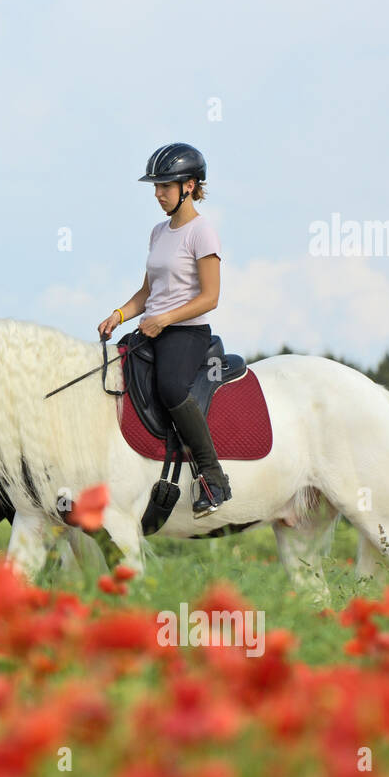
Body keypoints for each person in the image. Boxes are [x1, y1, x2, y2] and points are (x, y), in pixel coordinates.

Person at [98, 142, 232, 516]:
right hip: (153, 327)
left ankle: (213, 477)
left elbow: (210, 297)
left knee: (171, 387)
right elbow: (147, 293)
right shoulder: (159, 232)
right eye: (155, 187)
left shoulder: (202, 232)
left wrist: (165, 319)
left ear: (189, 186)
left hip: (186, 332)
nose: (157, 194)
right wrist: (119, 315)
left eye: (165, 187)